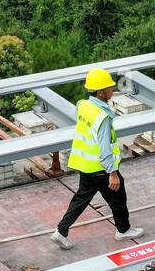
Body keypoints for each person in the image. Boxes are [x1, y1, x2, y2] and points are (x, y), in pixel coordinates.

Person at [51, 68, 143, 249]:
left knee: (81, 199)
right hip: (101, 168)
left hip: (86, 165)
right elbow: (105, 148)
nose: (112, 91)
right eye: (109, 88)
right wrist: (113, 173)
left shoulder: (83, 106)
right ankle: (123, 231)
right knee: (118, 198)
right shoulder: (103, 117)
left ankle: (61, 231)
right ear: (101, 92)